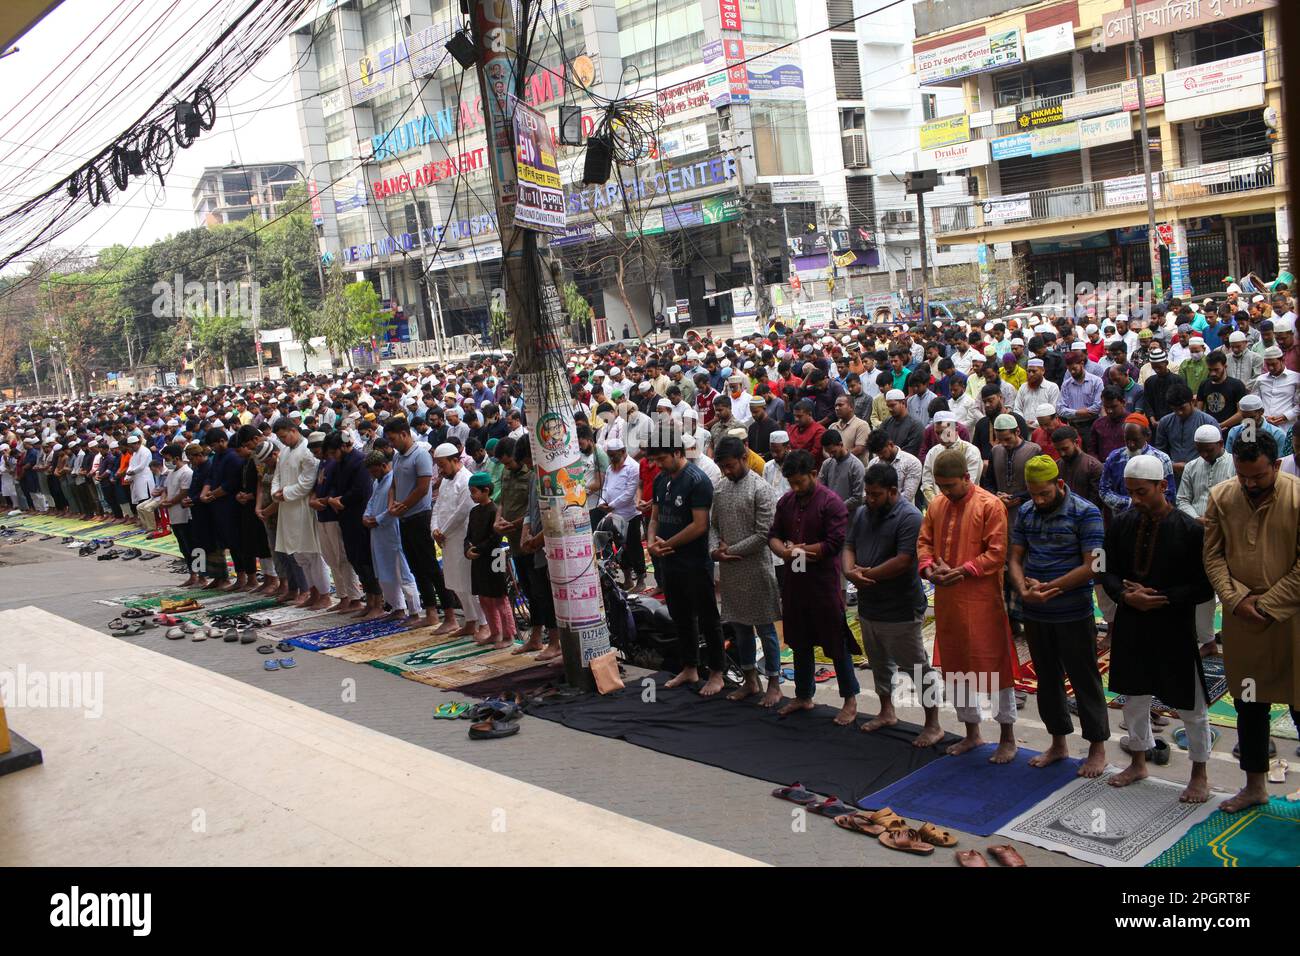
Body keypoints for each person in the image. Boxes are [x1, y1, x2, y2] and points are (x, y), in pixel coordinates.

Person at [1103, 454, 1216, 803]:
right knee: (1134, 698)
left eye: (1142, 492)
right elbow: (1102, 568)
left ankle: (1199, 773)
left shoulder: (1189, 530)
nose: (1135, 500)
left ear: (1162, 487)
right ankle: (1138, 761)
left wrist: (1163, 598)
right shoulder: (1121, 524)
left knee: (1191, 704)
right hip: (1132, 624)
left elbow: (1204, 586)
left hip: (1173, 628)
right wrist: (1124, 595)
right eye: (1131, 492)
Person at [1203, 434, 1300, 813]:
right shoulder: (1222, 496)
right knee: (1249, 704)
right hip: (1242, 621)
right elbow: (1212, 556)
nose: (1250, 484)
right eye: (1243, 477)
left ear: (1276, 466)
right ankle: (1254, 786)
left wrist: (1271, 603)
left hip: (1292, 619)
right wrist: (1236, 599)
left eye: (1259, 477)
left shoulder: (1296, 496)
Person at [1009, 455, 1110, 777]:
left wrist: (1051, 586)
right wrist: (1023, 589)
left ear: (1060, 485)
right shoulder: (1025, 512)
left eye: (1045, 494)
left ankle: (1096, 748)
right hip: (1036, 610)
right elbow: (1014, 558)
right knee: (1047, 678)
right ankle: (1058, 742)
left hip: (1073, 612)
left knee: (1084, 678)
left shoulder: (1086, 513)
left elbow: (1094, 565)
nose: (1039, 500)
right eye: (1033, 493)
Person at [917, 449, 1018, 762]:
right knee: (956, 666)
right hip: (948, 601)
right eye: (941, 486)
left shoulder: (990, 505)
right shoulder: (936, 505)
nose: (946, 492)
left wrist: (961, 571)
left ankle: (1007, 737)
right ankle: (972, 733)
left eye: (951, 486)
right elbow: (925, 543)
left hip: (982, 600)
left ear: (966, 477)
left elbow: (997, 553)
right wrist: (929, 568)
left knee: (993, 668)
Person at [845, 462, 942, 747]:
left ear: (892, 491)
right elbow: (848, 545)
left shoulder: (909, 517)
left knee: (915, 667)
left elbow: (904, 560)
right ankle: (887, 711)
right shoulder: (864, 512)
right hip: (869, 604)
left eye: (876, 494)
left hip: (901, 606)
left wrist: (867, 575)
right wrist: (850, 572)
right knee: (878, 663)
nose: (870, 499)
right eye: (867, 493)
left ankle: (933, 723)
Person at [768, 449, 861, 724]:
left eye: (800, 482)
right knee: (799, 640)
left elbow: (834, 543)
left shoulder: (831, 503)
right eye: (791, 483)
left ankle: (850, 698)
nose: (795, 488)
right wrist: (783, 551)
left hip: (823, 583)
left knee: (836, 641)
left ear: (813, 474)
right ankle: (803, 695)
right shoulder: (786, 502)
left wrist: (799, 550)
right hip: (795, 582)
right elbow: (774, 535)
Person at [648, 428, 725, 695]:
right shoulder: (661, 480)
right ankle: (689, 667)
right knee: (680, 617)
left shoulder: (697, 480)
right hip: (669, 562)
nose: (658, 465)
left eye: (662, 459)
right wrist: (651, 542)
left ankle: (717, 672)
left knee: (707, 618)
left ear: (677, 453)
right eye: (655, 460)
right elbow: (655, 516)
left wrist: (667, 544)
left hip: (694, 561)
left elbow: (700, 525)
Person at [710, 437, 783, 707]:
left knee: (766, 629)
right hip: (730, 570)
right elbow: (712, 525)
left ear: (744, 458)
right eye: (723, 467)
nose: (727, 471)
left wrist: (730, 551)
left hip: (756, 568)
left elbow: (764, 534)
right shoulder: (720, 488)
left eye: (730, 465)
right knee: (740, 629)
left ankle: (774, 683)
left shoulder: (761, 489)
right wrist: (713, 551)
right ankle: (750, 681)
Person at [386, 418, 455, 631]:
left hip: (419, 515)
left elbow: (423, 487)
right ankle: (431, 612)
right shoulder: (397, 457)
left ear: (404, 434)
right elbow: (394, 483)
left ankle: (450, 616)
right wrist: (392, 504)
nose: (392, 443)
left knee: (431, 566)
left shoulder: (421, 456)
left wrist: (404, 505)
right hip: (403, 517)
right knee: (416, 566)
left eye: (393, 438)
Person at [1176, 424, 1235, 656]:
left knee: (1229, 587)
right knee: (1201, 589)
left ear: (1221, 445)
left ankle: (1234, 638)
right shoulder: (1192, 466)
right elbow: (1181, 500)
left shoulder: (1234, 464)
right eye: (1200, 450)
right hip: (1195, 533)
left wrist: (1217, 520)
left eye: (1209, 450)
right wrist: (1196, 520)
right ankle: (1207, 640)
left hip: (1227, 534)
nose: (1204, 455)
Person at [272, 418, 332, 610]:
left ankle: (324, 595)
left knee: (312, 553)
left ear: (293, 430)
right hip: (287, 508)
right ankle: (312, 592)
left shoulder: (307, 450)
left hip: (303, 508)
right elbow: (277, 476)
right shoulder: (285, 452)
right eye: (280, 438)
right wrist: (276, 493)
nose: (283, 441)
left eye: (284, 436)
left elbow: (308, 481)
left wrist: (286, 493)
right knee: (299, 556)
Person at [433, 441, 485, 640]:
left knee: (469, 583)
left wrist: (442, 531)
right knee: (455, 583)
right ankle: (470, 621)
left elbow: (462, 512)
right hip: (446, 540)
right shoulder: (446, 480)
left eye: (442, 464)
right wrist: (434, 530)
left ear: (455, 460)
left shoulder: (467, 480)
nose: (440, 469)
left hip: (461, 538)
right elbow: (437, 508)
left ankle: (483, 623)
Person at [362, 451, 422, 619]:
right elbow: (372, 501)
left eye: (374, 471)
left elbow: (394, 508)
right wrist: (366, 517)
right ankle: (397, 608)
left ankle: (415, 611)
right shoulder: (377, 482)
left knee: (402, 573)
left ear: (383, 466)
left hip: (392, 533)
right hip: (378, 534)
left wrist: (378, 520)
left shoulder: (394, 482)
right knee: (384, 573)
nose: (373, 475)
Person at [465, 471, 514, 648]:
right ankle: (495, 632)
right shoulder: (474, 511)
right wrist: (467, 550)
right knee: (484, 598)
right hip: (479, 559)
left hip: (495, 557)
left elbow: (496, 538)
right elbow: (468, 536)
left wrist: (476, 549)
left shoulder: (495, 510)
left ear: (486, 490)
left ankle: (508, 635)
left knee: (500, 597)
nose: (472, 495)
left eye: (474, 492)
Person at [818, 429, 865, 523]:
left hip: (849, 517)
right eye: (828, 452)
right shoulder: (827, 464)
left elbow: (858, 498)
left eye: (833, 452)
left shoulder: (856, 466)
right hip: (829, 515)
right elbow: (821, 489)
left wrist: (837, 507)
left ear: (841, 444)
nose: (831, 455)